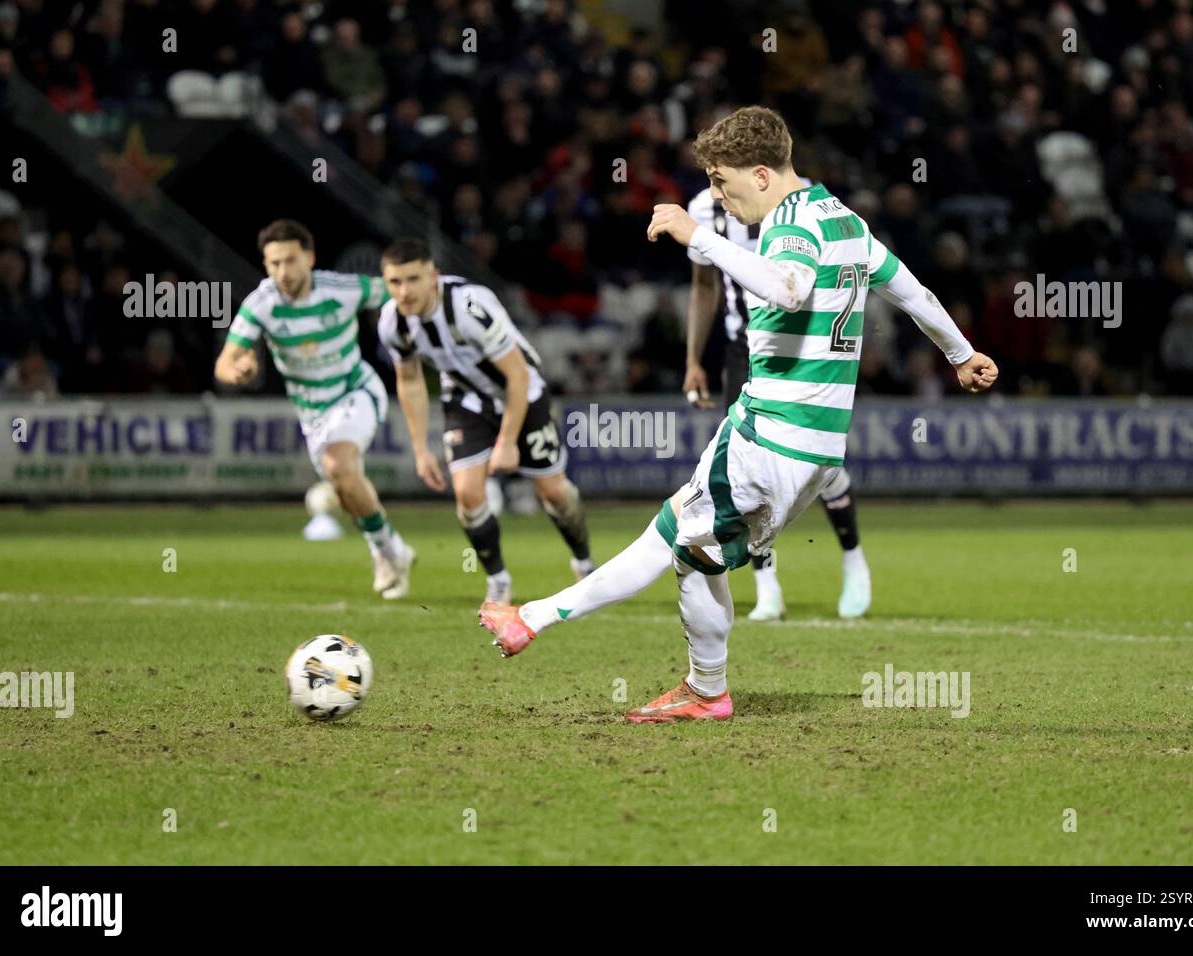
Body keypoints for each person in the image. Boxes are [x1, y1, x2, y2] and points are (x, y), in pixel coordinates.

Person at [479, 107, 997, 722]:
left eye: (722, 184)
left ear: (760, 173)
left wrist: (697, 237)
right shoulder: (846, 219)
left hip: (770, 435)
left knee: (679, 543)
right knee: (692, 544)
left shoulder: (790, 225)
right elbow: (912, 291)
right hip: (815, 446)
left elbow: (789, 287)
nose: (719, 200)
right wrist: (961, 353)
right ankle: (630, 659)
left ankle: (595, 644)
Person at [684, 176, 870, 620]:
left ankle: (853, 557)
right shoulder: (705, 207)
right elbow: (704, 287)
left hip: (804, 345)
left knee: (820, 466)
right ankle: (767, 586)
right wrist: (693, 358)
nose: (717, 187)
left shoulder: (804, 201)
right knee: (747, 466)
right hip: (743, 348)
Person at [378, 237, 594, 609]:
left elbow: (517, 375)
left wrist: (508, 441)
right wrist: (419, 448)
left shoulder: (469, 306)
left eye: (413, 279)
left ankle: (585, 564)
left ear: (433, 276)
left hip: (522, 392)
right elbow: (410, 380)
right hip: (466, 399)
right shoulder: (392, 322)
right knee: (467, 493)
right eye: (394, 282)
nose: (404, 291)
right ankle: (498, 580)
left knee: (554, 492)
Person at [215, 219, 415, 599]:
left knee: (339, 466)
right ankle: (392, 549)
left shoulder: (341, 289)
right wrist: (238, 370)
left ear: (309, 258)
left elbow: (397, 291)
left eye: (290, 261)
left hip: (355, 390)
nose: (282, 272)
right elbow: (225, 362)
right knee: (345, 491)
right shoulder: (262, 303)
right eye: (273, 263)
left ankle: (386, 553)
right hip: (313, 415)